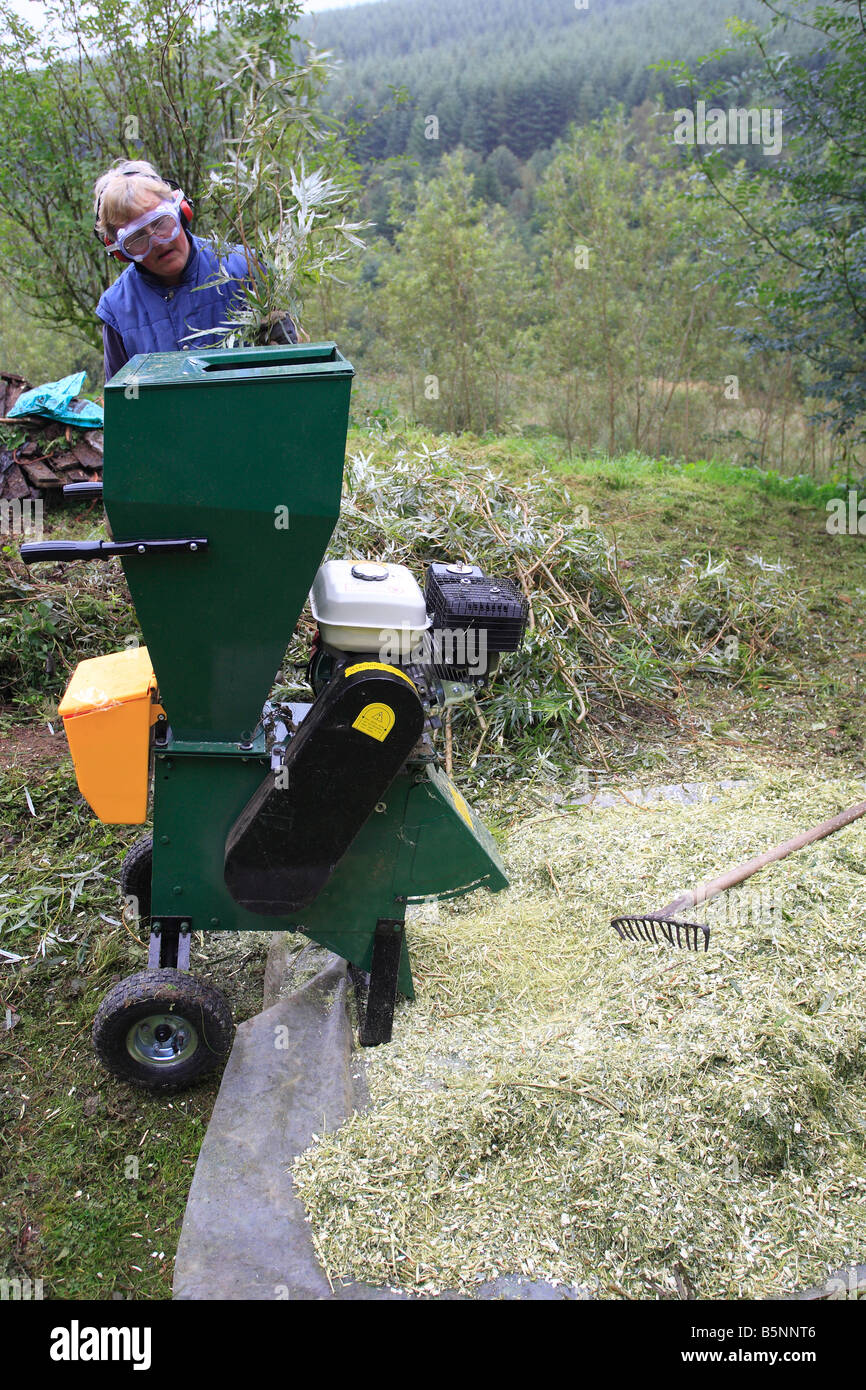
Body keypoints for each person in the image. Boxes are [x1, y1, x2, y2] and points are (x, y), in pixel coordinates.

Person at [93, 159, 298, 382]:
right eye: (138, 238)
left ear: (181, 211)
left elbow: (291, 375)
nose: (159, 242)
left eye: (161, 222)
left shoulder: (246, 269)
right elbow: (122, 403)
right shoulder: (118, 309)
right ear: (122, 252)